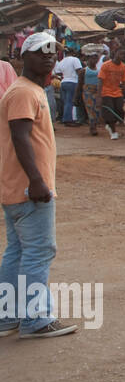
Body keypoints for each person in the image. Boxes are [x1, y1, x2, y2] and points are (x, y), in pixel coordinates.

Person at [0, 32, 78, 339]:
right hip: (27, 188)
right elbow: (20, 138)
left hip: (16, 187)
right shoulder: (23, 93)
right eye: (40, 51)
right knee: (38, 251)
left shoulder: (27, 90)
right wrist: (36, 181)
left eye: (52, 52)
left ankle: (8, 316)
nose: (48, 56)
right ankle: (36, 319)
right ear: (23, 57)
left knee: (18, 252)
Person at [98, 48, 125, 141]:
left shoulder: (123, 67)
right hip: (106, 91)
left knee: (120, 110)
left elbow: (124, 82)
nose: (122, 56)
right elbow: (100, 81)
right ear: (115, 53)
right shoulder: (106, 65)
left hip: (117, 92)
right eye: (120, 54)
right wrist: (99, 96)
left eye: (123, 55)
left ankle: (109, 124)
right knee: (110, 112)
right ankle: (113, 131)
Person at [53, 51, 82, 126]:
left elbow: (58, 72)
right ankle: (68, 120)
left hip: (63, 82)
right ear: (74, 53)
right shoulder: (75, 59)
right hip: (73, 82)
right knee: (70, 102)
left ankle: (65, 118)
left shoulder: (62, 61)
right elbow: (79, 70)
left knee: (66, 102)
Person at [79, 47, 103, 137]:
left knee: (97, 110)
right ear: (88, 59)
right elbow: (80, 84)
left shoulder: (99, 70)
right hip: (87, 92)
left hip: (97, 91)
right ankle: (93, 127)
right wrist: (77, 95)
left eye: (96, 58)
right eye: (93, 58)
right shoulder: (84, 70)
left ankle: (94, 125)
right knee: (90, 110)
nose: (95, 60)